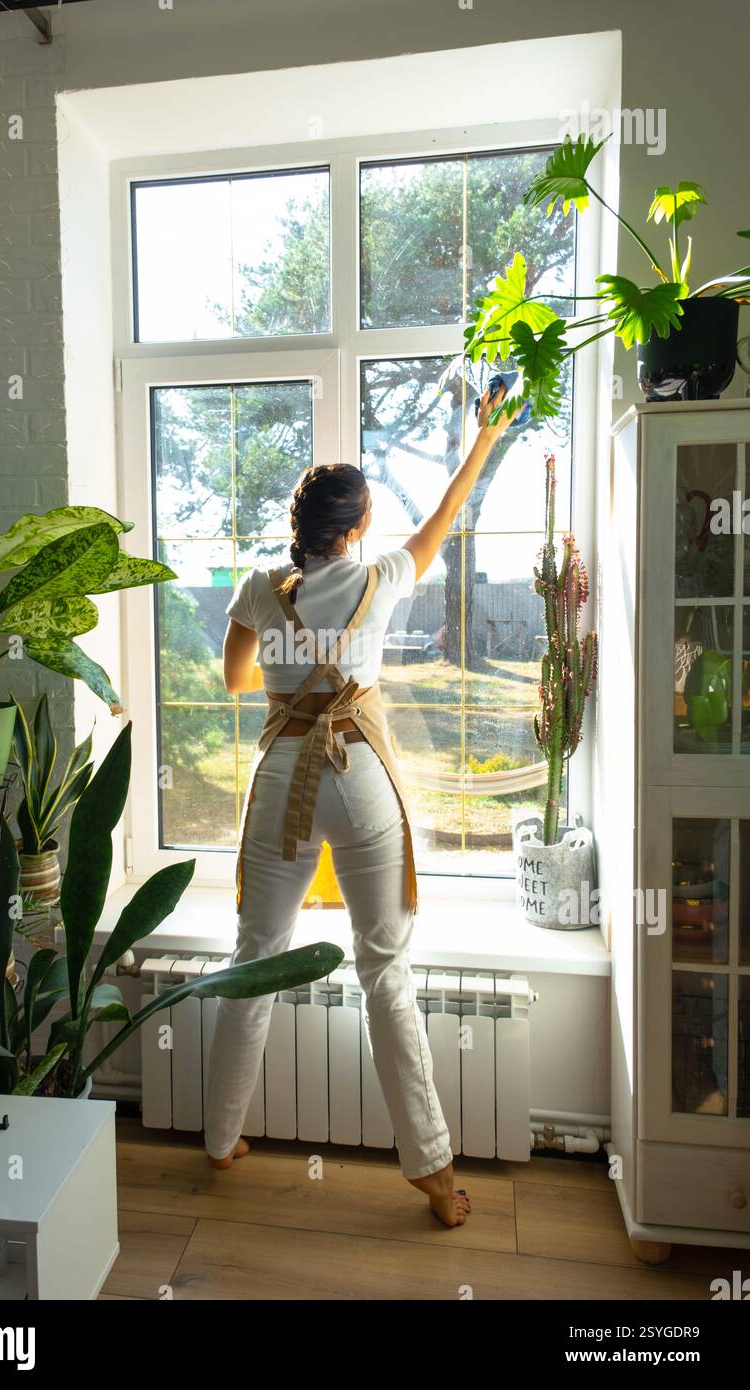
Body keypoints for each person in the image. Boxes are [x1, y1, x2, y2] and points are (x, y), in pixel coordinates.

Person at [203, 383, 518, 1226]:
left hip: (282, 784)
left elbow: (236, 681)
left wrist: (278, 645)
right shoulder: (381, 578)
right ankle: (435, 1179)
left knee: (255, 953)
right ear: (356, 528)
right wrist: (483, 436)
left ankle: (221, 1138)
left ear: (302, 528)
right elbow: (448, 512)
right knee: (385, 970)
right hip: (363, 779)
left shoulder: (261, 589)